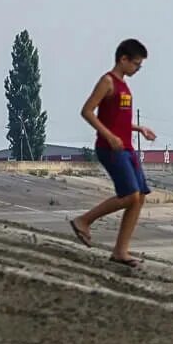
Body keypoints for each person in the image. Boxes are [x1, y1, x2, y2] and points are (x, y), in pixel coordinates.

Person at [67, 39, 157, 268]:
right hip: (110, 148)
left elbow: (118, 119)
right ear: (123, 59)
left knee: (140, 196)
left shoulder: (125, 85)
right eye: (136, 64)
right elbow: (87, 111)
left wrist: (139, 129)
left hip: (126, 146)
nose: (137, 69)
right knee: (129, 195)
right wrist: (108, 136)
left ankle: (120, 251)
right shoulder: (107, 82)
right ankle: (83, 221)